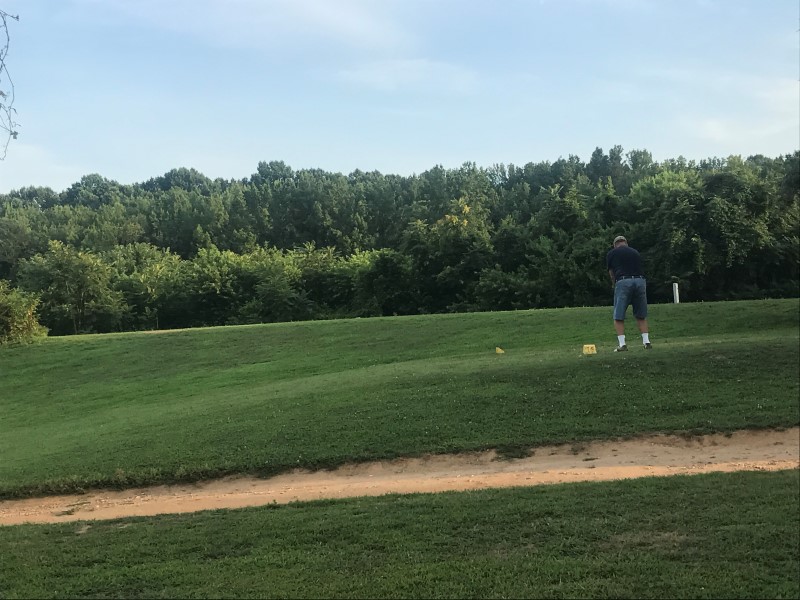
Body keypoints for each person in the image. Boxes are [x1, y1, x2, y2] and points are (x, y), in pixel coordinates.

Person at [606, 235, 652, 351]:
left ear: (615, 244)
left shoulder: (612, 253)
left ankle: (622, 344)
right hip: (640, 281)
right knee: (641, 314)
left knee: (618, 315)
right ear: (626, 243)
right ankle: (646, 342)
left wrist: (614, 284)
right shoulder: (635, 252)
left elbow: (611, 272)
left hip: (623, 281)